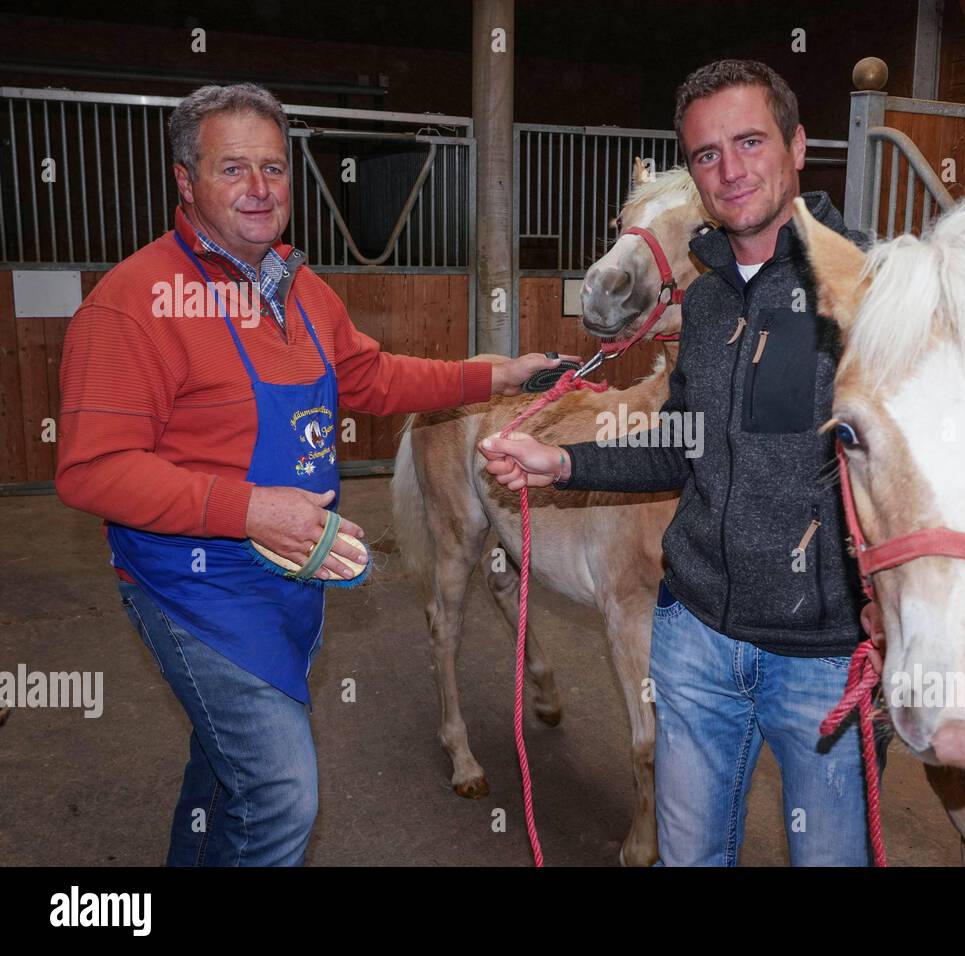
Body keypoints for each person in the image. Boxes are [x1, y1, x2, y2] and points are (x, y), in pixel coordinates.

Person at [55, 83, 570, 867]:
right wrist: (251, 508)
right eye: (233, 169)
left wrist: (498, 376)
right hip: (191, 585)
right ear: (184, 181)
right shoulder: (133, 303)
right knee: (281, 791)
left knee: (228, 768)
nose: (260, 190)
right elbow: (92, 471)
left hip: (290, 572)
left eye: (273, 168)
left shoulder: (300, 289)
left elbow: (376, 379)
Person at [480, 59, 890, 866]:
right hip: (696, 638)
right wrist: (560, 462)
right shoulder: (707, 302)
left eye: (749, 141)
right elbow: (686, 444)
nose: (730, 170)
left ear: (799, 145)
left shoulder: (869, 290)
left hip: (823, 657)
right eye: (707, 154)